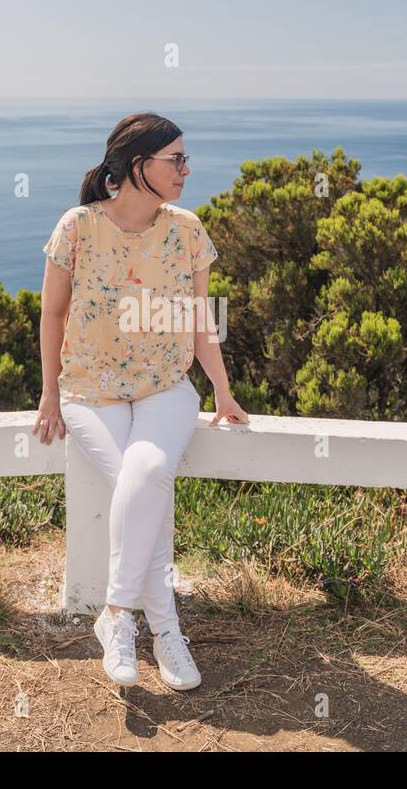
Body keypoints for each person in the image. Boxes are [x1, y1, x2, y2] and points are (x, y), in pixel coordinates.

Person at [33, 112, 249, 691]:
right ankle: (165, 627)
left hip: (166, 389)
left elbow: (201, 322)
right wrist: (50, 394)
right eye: (175, 159)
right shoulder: (77, 227)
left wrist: (223, 391)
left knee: (147, 470)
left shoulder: (187, 230)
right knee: (146, 485)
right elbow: (52, 315)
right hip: (88, 391)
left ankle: (117, 615)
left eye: (184, 159)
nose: (186, 169)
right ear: (137, 166)